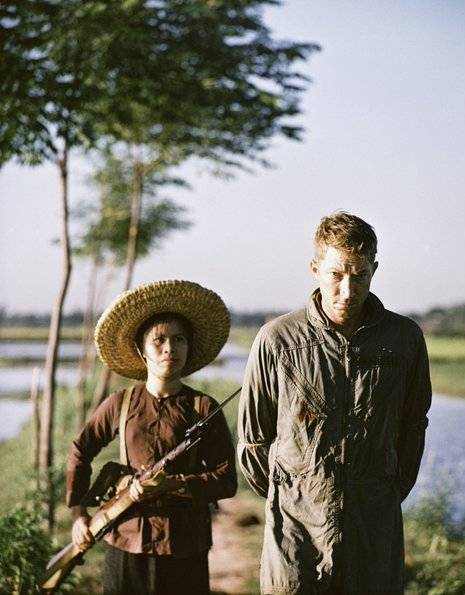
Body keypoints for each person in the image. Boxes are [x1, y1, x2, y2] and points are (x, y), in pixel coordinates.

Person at [238, 212, 432, 594]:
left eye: (360, 275)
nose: (348, 289)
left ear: (374, 269)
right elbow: (253, 443)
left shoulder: (404, 339)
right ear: (315, 268)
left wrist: (383, 490)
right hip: (295, 531)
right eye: (336, 274)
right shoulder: (277, 340)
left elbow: (413, 426)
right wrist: (299, 491)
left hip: (373, 528)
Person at [66, 279, 237, 595]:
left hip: (186, 547)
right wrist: (78, 513)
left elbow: (226, 479)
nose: (170, 348)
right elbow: (81, 448)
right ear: (141, 351)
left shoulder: (204, 408)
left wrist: (177, 485)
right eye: (159, 340)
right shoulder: (120, 403)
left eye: (179, 339)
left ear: (188, 347)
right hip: (126, 542)